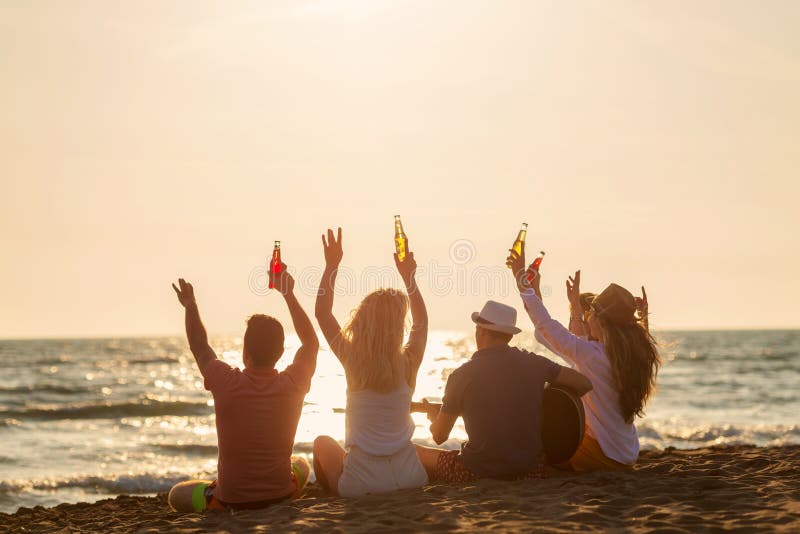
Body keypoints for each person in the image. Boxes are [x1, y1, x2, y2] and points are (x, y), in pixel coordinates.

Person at [167, 264, 318, 512]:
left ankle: (210, 490)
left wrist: (190, 305)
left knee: (177, 494)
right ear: (280, 353)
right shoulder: (294, 382)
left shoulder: (225, 381)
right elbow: (311, 342)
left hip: (229, 502)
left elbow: (200, 346)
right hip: (282, 497)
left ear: (244, 352)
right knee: (300, 464)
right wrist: (287, 293)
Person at [507, 248, 661, 472]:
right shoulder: (634, 354)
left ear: (602, 322)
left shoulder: (592, 355)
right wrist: (538, 290)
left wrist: (521, 278)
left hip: (601, 456)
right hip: (626, 454)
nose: (587, 319)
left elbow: (547, 327)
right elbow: (547, 334)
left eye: (591, 315)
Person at [415, 300, 592, 483]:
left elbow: (438, 436)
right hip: (531, 471)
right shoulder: (535, 363)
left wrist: (433, 418)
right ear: (509, 335)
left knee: (416, 452)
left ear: (480, 330)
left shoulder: (461, 375)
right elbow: (584, 384)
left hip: (477, 472)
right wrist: (545, 400)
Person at [312, 228, 429, 497]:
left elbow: (322, 313)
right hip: (411, 477)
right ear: (398, 327)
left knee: (321, 443)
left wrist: (332, 265)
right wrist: (408, 277)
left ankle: (332, 493)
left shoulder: (353, 360)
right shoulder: (409, 361)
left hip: (363, 484)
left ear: (364, 322)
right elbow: (421, 323)